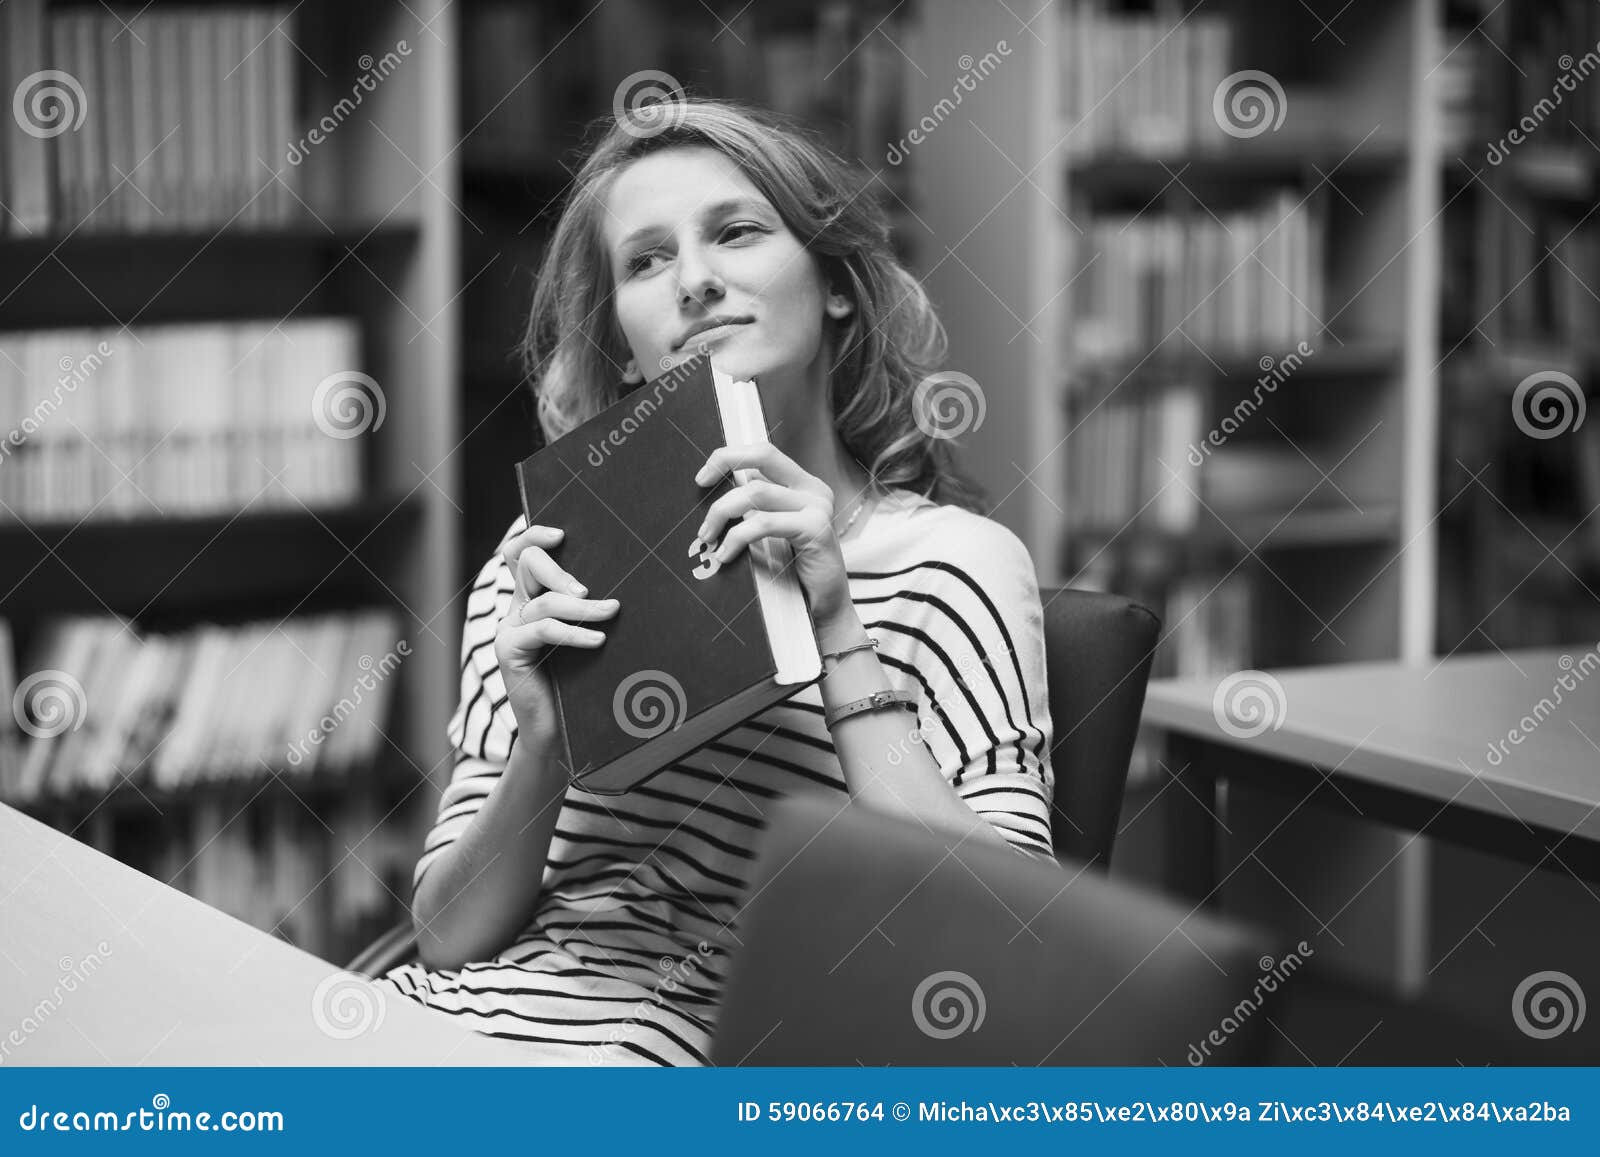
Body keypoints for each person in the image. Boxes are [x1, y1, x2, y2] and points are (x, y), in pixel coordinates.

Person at [372, 97, 1056, 1066]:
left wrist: (834, 625)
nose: (692, 281)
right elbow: (446, 936)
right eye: (645, 261)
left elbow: (1005, 929)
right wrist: (541, 742)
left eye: (735, 232)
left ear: (836, 287)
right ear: (621, 333)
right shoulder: (547, 554)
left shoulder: (953, 563)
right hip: (456, 1030)